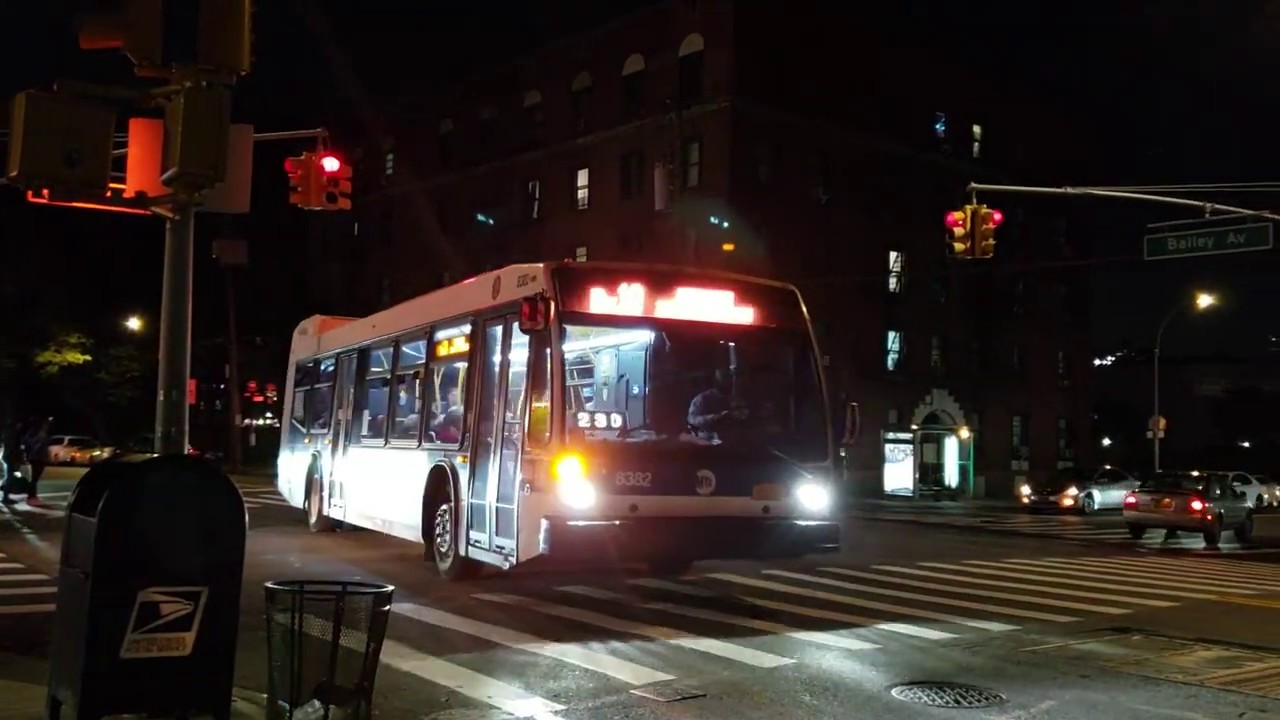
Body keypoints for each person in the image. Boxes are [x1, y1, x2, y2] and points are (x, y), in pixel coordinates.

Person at [687, 368, 746, 437]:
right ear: (717, 381)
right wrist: (716, 417)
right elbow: (692, 420)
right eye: (725, 378)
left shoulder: (734, 397)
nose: (729, 382)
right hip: (709, 438)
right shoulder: (702, 399)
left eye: (730, 378)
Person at [22, 418, 50, 505]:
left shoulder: (33, 434)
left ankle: (32, 495)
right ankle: (31, 496)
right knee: (34, 477)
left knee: (34, 477)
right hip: (38, 457)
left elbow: (26, 443)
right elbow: (40, 446)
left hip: (35, 457)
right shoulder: (40, 434)